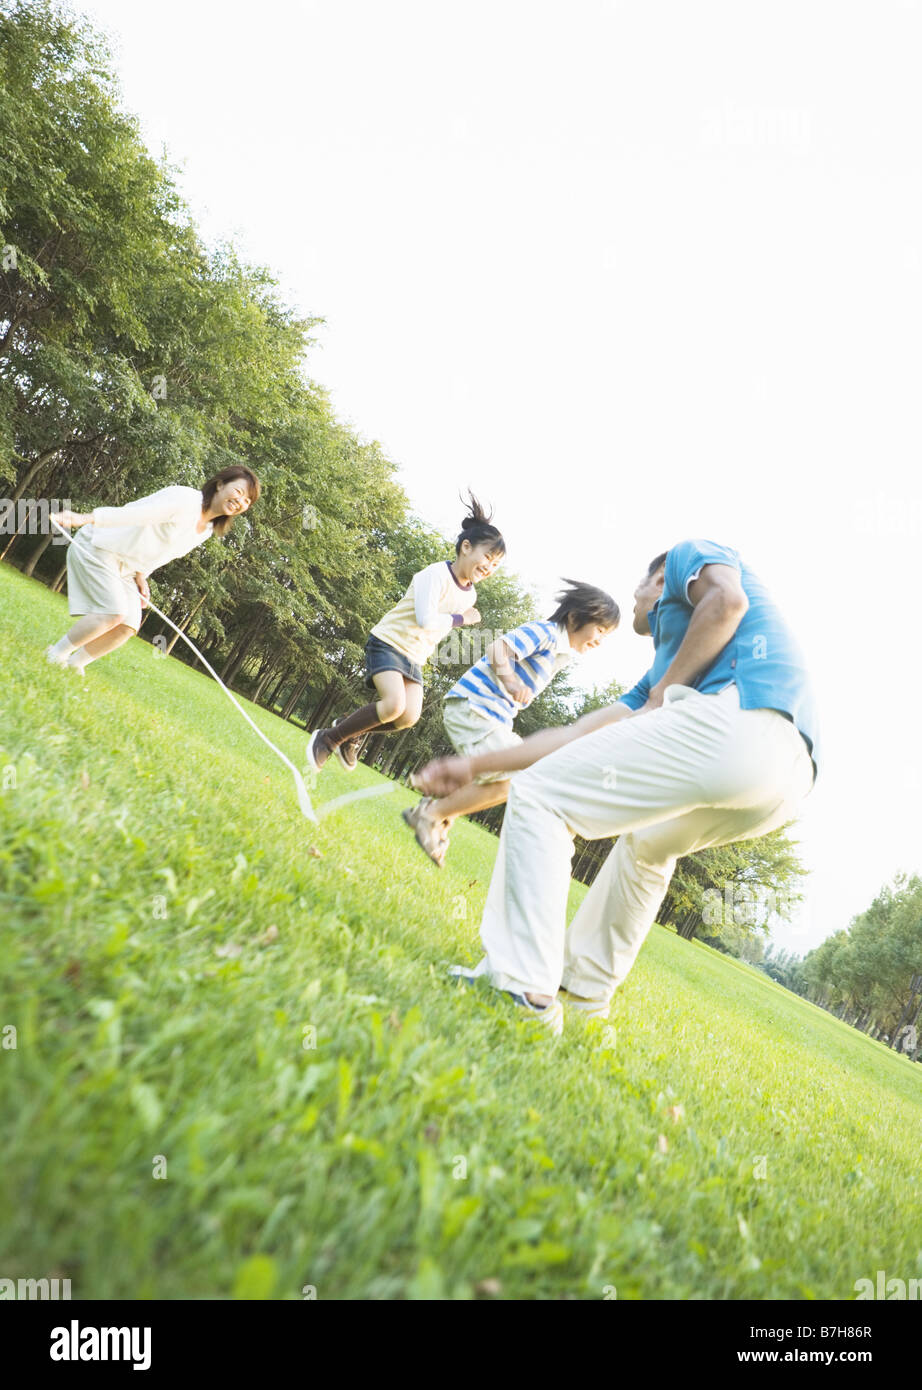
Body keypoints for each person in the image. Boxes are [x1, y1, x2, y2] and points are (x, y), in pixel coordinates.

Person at [411, 540, 821, 1035]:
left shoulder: (693, 553)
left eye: (638, 589)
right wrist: (477, 763)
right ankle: (583, 995)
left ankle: (522, 988)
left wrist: (660, 698)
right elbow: (576, 735)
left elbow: (727, 603)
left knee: (540, 796)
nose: (632, 600)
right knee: (648, 845)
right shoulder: (663, 675)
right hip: (785, 780)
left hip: (741, 719)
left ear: (662, 580)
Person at [403, 580, 620, 866]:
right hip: (475, 708)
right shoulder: (546, 633)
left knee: (520, 780)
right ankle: (432, 815)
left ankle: (438, 813)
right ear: (574, 616)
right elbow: (498, 650)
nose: (600, 640)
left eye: (607, 635)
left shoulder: (560, 652)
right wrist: (511, 680)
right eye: (600, 630)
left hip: (491, 718)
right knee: (519, 774)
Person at [306, 491, 504, 774]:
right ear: (467, 547)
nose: (490, 568)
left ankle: (349, 730)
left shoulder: (469, 596)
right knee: (393, 704)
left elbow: (433, 631)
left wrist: (458, 617)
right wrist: (460, 619)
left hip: (414, 656)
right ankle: (329, 738)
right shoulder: (434, 575)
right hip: (389, 642)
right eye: (488, 558)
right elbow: (426, 620)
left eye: (496, 565)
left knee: (407, 717)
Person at [46, 468, 260, 676]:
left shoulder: (207, 529)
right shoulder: (186, 499)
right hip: (100, 545)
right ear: (220, 484)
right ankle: (56, 653)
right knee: (114, 611)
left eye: (247, 501)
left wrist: (142, 577)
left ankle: (77, 662)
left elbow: (164, 553)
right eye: (239, 492)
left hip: (127, 569)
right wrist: (84, 518)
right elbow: (134, 515)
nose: (240, 501)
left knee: (128, 625)